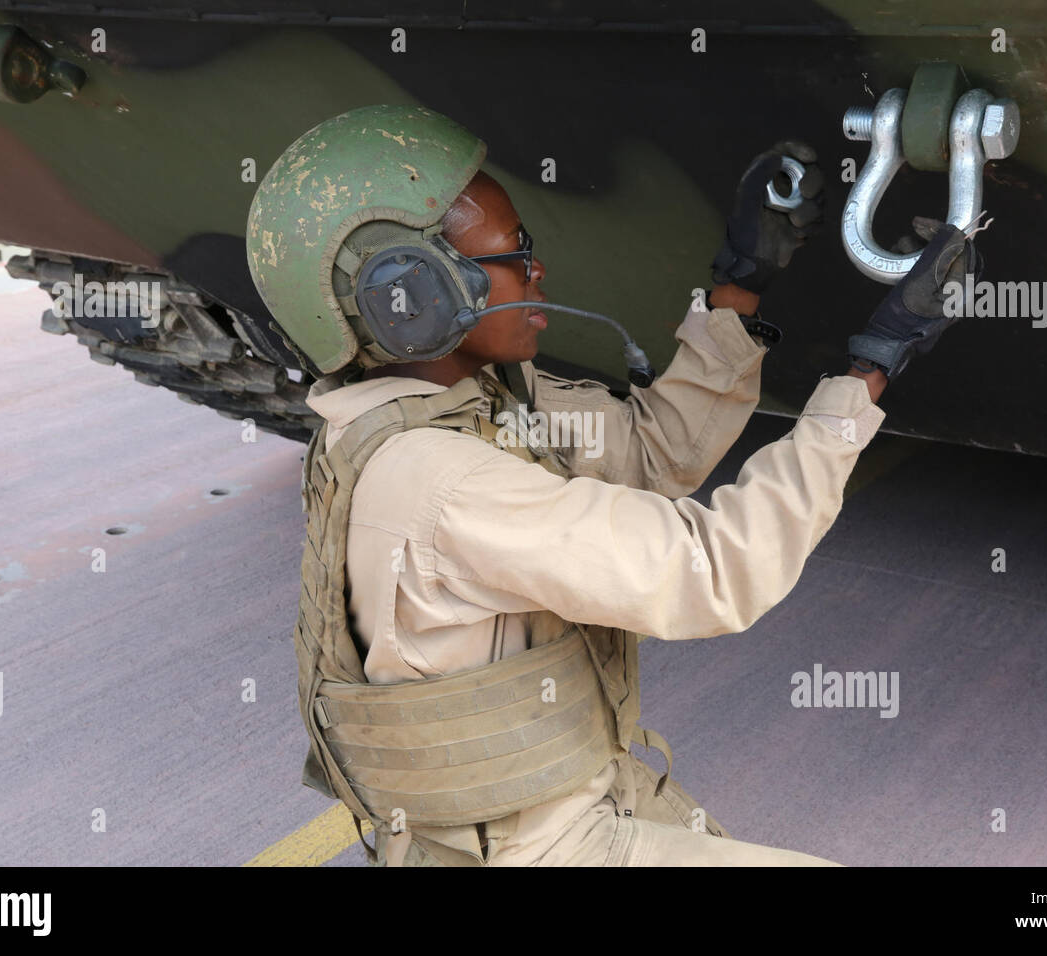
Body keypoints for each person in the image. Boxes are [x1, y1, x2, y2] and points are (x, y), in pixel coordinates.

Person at [246, 104, 975, 867]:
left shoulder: (456, 403)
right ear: (421, 291)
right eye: (515, 254)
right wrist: (873, 366)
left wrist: (740, 287)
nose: (540, 273)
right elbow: (715, 571)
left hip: (563, 806)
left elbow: (655, 450)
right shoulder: (441, 479)